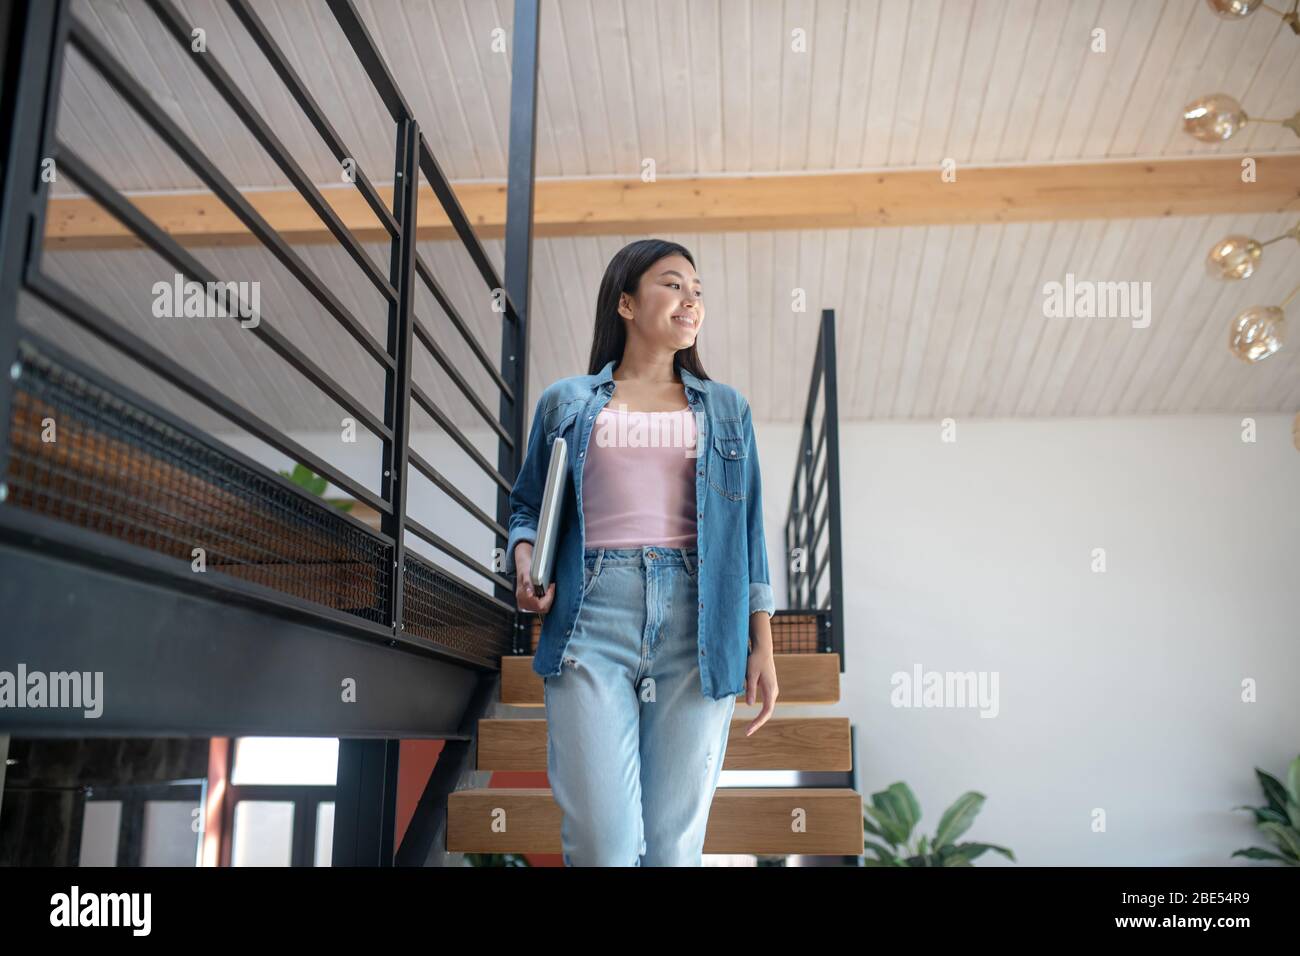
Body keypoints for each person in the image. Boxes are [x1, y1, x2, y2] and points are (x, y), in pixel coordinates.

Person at [503, 238, 779, 866]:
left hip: (700, 622)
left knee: (674, 847)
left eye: (698, 291)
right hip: (592, 617)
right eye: (674, 284)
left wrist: (761, 642)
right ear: (625, 303)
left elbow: (749, 533)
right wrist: (525, 557)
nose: (692, 300)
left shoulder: (728, 410)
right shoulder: (567, 402)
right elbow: (526, 507)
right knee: (603, 845)